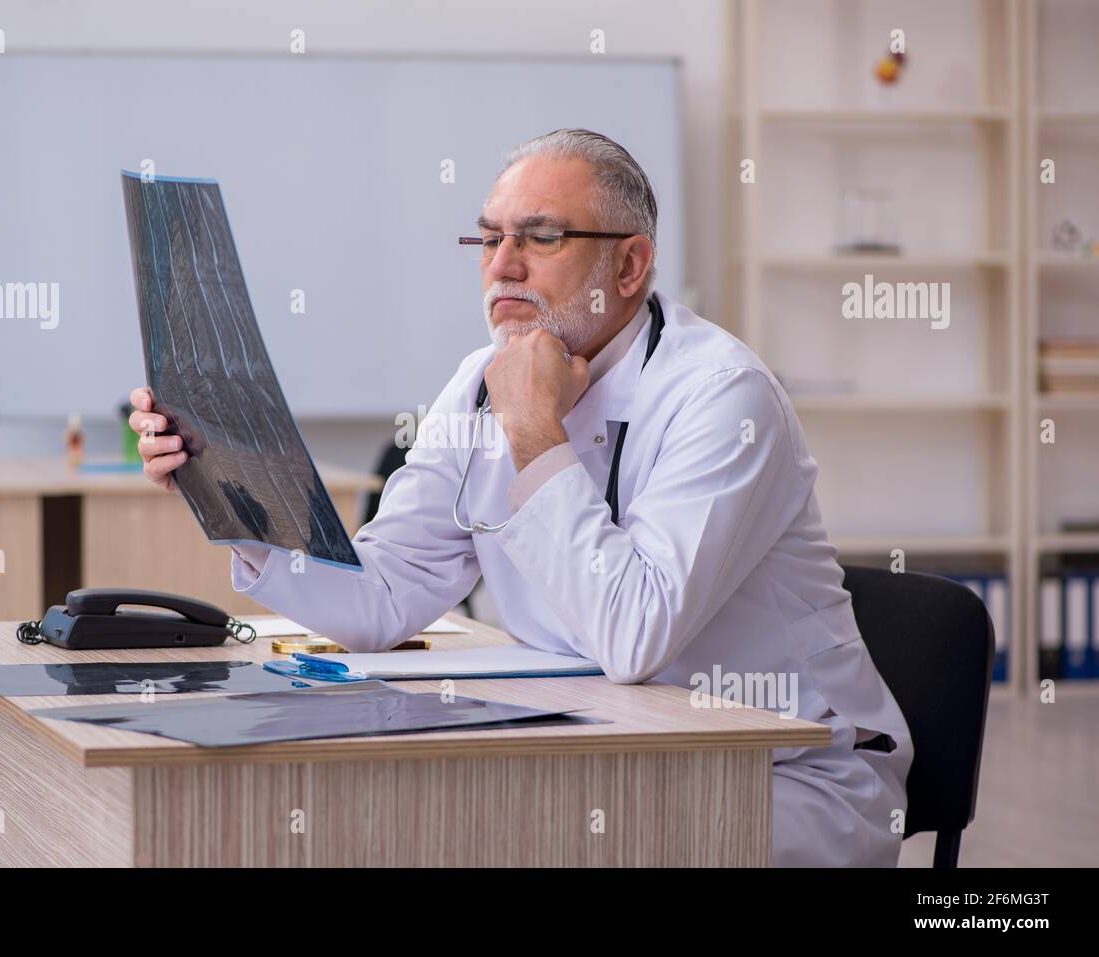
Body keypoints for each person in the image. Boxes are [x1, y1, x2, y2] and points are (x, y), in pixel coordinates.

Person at [129, 128, 913, 867]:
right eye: (489, 237)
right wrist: (238, 501)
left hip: (779, 768)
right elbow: (386, 596)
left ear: (630, 267)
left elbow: (634, 637)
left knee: (490, 836)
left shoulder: (722, 396)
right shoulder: (479, 383)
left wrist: (535, 429)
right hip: (601, 742)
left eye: (540, 238)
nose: (503, 265)